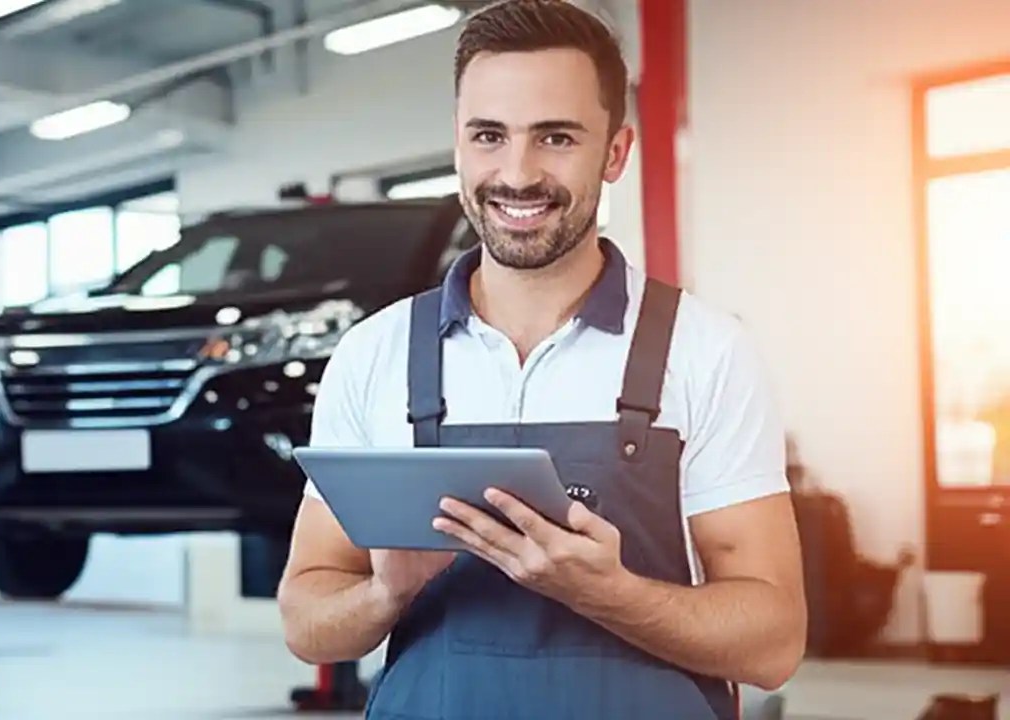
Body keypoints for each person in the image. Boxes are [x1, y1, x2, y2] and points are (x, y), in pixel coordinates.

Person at [276, 1, 807, 717]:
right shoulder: (375, 355)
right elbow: (306, 622)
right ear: (459, 146)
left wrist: (607, 593)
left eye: (555, 137)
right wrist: (385, 593)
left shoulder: (706, 350)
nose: (517, 174)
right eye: (489, 135)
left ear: (615, 152)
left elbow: (773, 644)